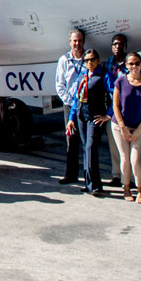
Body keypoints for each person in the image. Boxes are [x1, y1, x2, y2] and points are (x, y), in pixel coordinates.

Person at [110, 51, 141, 202]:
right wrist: (122, 127)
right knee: (125, 158)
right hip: (119, 125)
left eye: (137, 63)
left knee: (136, 159)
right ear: (126, 66)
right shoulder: (120, 81)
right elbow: (115, 105)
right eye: (131, 64)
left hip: (139, 126)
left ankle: (140, 189)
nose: (134, 66)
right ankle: (126, 187)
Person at [69, 49, 111, 196]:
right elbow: (76, 97)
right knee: (85, 148)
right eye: (86, 60)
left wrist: (109, 115)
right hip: (81, 114)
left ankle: (96, 184)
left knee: (90, 147)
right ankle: (88, 183)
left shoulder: (103, 76)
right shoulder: (83, 75)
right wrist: (71, 118)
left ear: (98, 60)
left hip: (94, 115)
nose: (89, 63)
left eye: (92, 60)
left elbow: (113, 94)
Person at [55, 29, 88, 186]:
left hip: (86, 105)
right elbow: (59, 84)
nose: (77, 43)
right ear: (70, 43)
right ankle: (71, 175)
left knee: (87, 141)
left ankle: (90, 177)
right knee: (71, 141)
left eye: (80, 40)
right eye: (74, 41)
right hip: (70, 105)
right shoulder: (64, 60)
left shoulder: (88, 59)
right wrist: (71, 101)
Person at [101, 34, 128, 187]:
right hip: (112, 109)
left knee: (128, 147)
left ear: (125, 47)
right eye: (115, 44)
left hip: (126, 109)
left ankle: (129, 178)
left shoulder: (130, 63)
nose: (118, 47)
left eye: (121, 44)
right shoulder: (109, 63)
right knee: (113, 144)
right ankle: (117, 174)